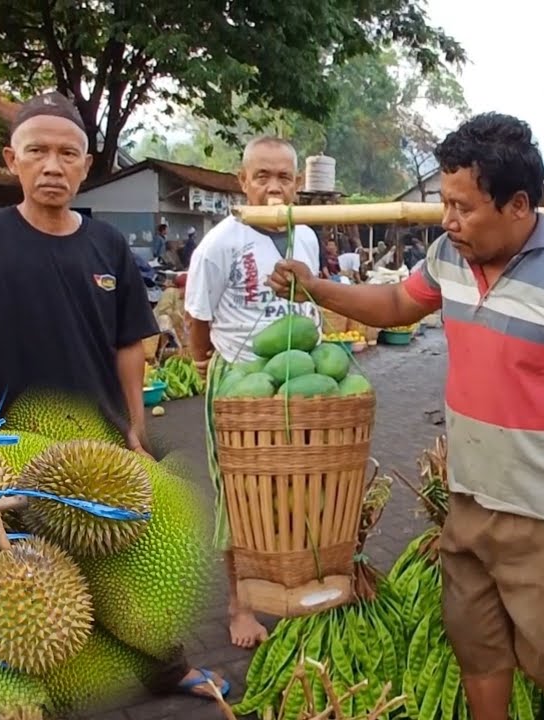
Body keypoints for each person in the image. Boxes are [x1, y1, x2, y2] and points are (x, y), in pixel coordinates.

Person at [267, 112, 544, 720]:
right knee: (478, 649)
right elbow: (400, 302)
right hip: (471, 499)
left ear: (516, 205)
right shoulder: (449, 255)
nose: (448, 220)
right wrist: (318, 288)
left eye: (463, 207)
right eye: (444, 203)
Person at [0, 91, 228, 700]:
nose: (52, 165)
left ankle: (164, 666)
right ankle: (32, 688)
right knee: (17, 568)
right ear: (13, 159)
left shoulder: (108, 246)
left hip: (98, 438)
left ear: (87, 165)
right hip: (7, 439)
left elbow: (128, 348)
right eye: (37, 152)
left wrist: (135, 431)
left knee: (126, 563)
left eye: (68, 153)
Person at [184, 135, 321, 649]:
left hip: (298, 380)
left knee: (298, 492)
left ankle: (294, 582)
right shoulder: (219, 243)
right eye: (261, 176)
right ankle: (238, 605)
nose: (272, 187)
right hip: (242, 383)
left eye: (283, 177)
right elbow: (197, 317)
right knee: (239, 498)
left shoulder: (305, 235)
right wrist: (203, 366)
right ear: (241, 183)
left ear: (298, 185)